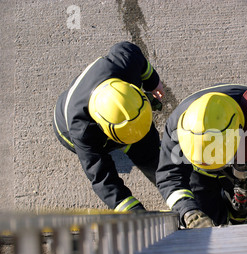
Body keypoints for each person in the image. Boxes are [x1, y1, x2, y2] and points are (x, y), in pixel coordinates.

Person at [156, 84, 247, 229]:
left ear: (240, 133)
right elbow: (170, 177)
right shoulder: (177, 126)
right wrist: (189, 213)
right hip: (201, 176)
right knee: (206, 226)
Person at [53, 41, 165, 212]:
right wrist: (135, 214)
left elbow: (133, 52)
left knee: (151, 155)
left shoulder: (125, 63)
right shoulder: (82, 131)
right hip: (66, 131)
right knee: (136, 155)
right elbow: (103, 180)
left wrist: (153, 82)